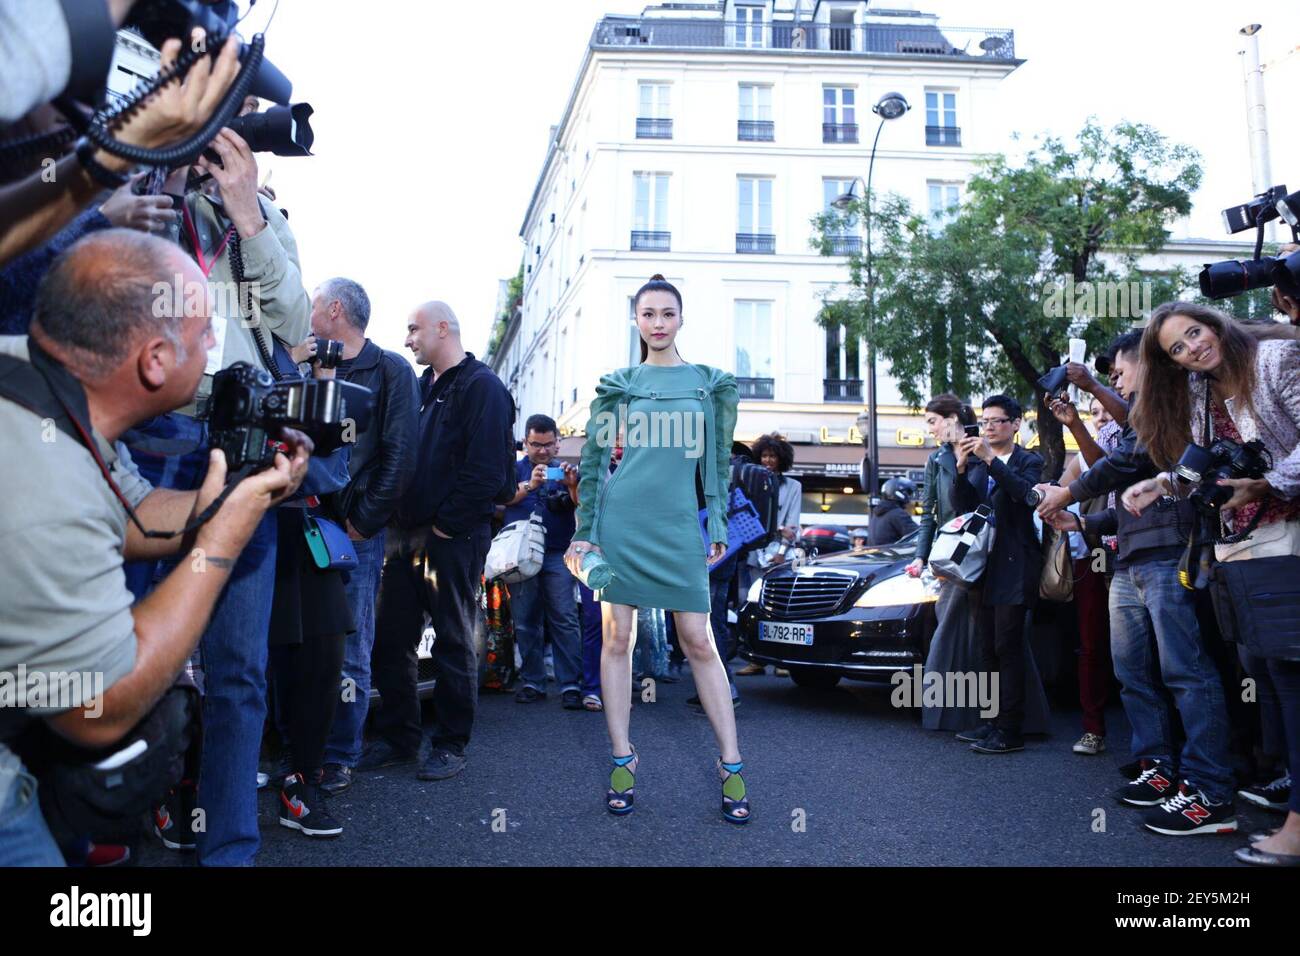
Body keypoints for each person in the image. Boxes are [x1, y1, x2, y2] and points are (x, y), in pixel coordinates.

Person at [0, 230, 308, 866]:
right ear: (156, 362)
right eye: (204, 339)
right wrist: (223, 539)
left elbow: (136, 511)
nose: (213, 354)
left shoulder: (35, 383)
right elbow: (98, 708)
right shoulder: (45, 487)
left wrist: (242, 495)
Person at [1038, 329, 1238, 836]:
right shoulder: (1139, 417)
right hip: (1130, 560)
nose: (1115, 381)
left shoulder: (1165, 412)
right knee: (1134, 674)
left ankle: (1210, 789)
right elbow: (1124, 494)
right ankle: (1158, 769)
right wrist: (1082, 521)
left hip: (1172, 555)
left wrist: (1068, 495)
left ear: (1144, 365)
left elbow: (1126, 464)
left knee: (1186, 673)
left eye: (1119, 372)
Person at [564, 274, 748, 823]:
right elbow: (595, 468)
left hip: (675, 527)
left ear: (681, 319)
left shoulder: (707, 385)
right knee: (619, 638)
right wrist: (586, 529)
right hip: (621, 524)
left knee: (699, 640)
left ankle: (731, 764)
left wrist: (716, 521)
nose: (659, 323)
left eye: (668, 313)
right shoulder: (619, 386)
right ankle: (623, 758)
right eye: (648, 314)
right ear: (636, 321)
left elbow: (717, 463)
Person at [1121, 302, 1299, 859]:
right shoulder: (1201, 391)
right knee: (1271, 672)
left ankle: (1295, 827)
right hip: (1242, 541)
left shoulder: (1275, 357)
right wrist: (1162, 484)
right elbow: (1206, 462)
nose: (1192, 348)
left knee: (1290, 676)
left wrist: (1267, 483)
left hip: (1285, 530)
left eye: (1194, 333)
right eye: (1178, 348)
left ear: (1215, 324)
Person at [363, 301, 513, 781]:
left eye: (414, 330)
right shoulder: (422, 387)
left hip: (450, 538)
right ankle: (399, 738)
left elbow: (488, 470)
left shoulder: (483, 387)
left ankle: (450, 743)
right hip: (404, 537)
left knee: (452, 639)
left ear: (443, 328)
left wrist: (447, 525)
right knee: (391, 639)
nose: (408, 340)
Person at [306, 278, 419, 796]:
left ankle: (337, 755)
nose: (305, 311)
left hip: (354, 527)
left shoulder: (391, 369)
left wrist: (363, 522)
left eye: (312, 303)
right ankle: (299, 747)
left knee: (351, 642)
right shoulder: (308, 362)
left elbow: (400, 456)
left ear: (334, 310)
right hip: (301, 517)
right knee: (299, 638)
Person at [951, 395, 1045, 754]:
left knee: (1008, 645)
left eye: (997, 421)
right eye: (984, 422)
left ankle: (1010, 728)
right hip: (982, 565)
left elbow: (1025, 497)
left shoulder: (1029, 461)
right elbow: (963, 510)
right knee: (987, 647)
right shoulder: (976, 464)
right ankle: (990, 722)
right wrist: (962, 468)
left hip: (1015, 561)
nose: (988, 428)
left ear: (1016, 424)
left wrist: (991, 460)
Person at [907, 394, 980, 732]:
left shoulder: (982, 447)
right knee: (948, 629)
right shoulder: (935, 459)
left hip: (982, 551)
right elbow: (928, 516)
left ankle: (979, 714)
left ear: (952, 418)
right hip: (947, 558)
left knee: (977, 635)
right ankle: (947, 712)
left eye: (933, 421)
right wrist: (921, 556)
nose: (930, 429)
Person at [503, 413, 584, 708]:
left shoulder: (566, 471)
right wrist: (531, 485)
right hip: (520, 554)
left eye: (548, 445)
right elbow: (501, 500)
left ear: (558, 443)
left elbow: (581, 506)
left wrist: (572, 486)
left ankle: (570, 684)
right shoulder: (513, 469)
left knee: (564, 617)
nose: (542, 451)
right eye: (536, 444)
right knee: (525, 620)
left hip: (556, 552)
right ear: (526, 442)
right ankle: (532, 681)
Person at [735, 433, 801, 678]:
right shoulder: (749, 481)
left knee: (781, 608)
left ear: (781, 458)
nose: (768, 460)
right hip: (754, 553)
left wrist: (782, 551)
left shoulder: (794, 487)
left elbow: (792, 525)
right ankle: (757, 660)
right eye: (764, 455)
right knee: (754, 607)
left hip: (780, 556)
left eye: (773, 456)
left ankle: (782, 660)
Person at [867, 477, 916, 546]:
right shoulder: (898, 514)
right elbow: (918, 536)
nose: (909, 496)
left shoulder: (876, 514)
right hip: (895, 555)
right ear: (899, 492)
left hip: (879, 555)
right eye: (908, 492)